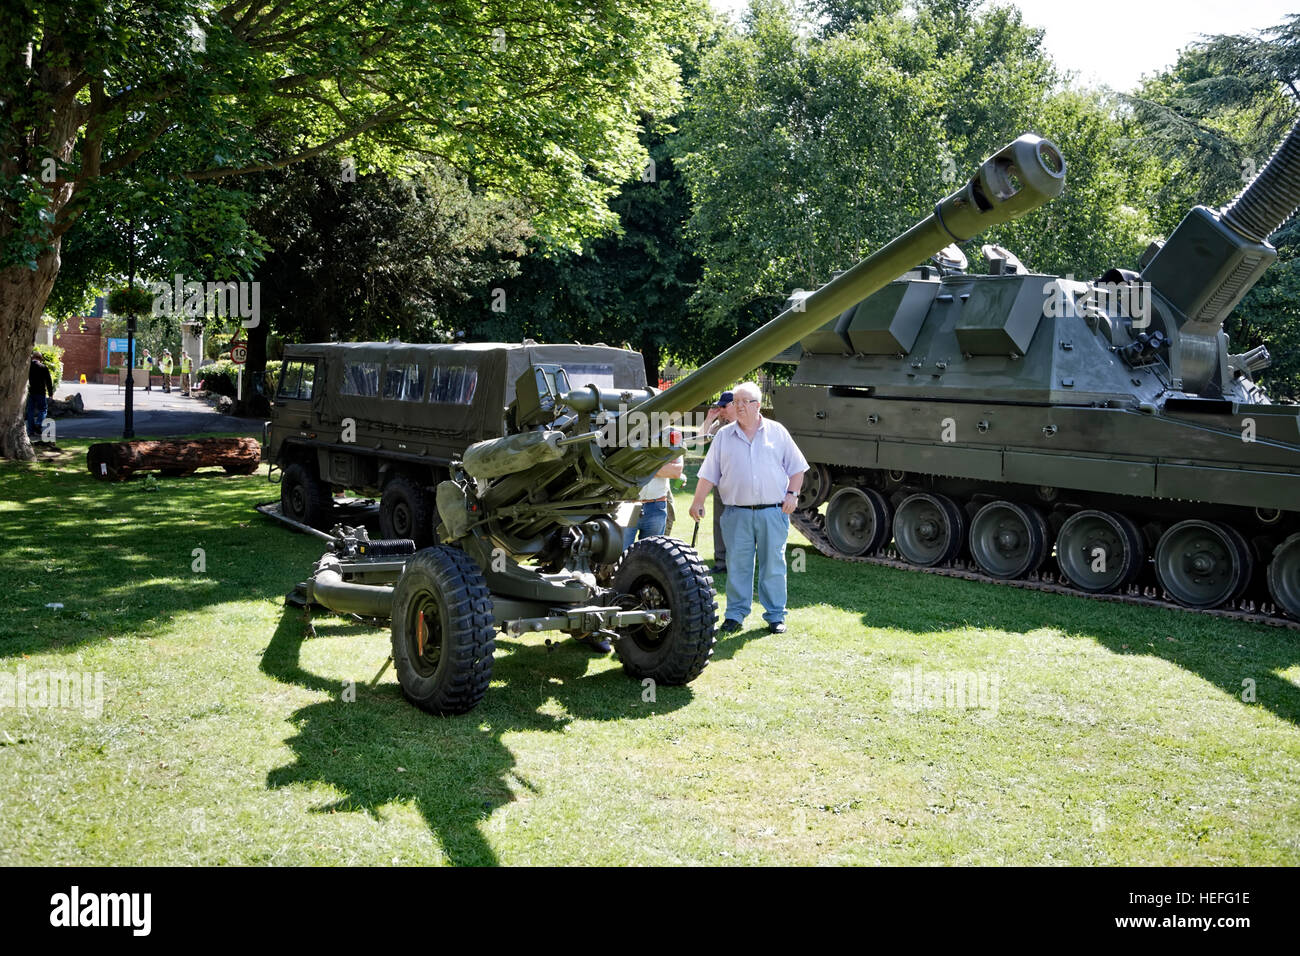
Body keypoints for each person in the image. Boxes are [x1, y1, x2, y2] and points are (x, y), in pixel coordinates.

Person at [689, 381, 808, 635]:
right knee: (737, 566)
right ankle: (735, 615)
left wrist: (792, 494)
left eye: (744, 402)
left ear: (757, 405)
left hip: (772, 512)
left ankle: (775, 616)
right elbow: (709, 473)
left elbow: (798, 468)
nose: (738, 406)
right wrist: (697, 501)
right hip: (736, 513)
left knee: (773, 565)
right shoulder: (724, 435)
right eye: (736, 402)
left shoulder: (777, 432)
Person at [699, 390, 737, 573]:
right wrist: (708, 420)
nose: (720, 410)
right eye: (719, 406)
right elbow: (699, 442)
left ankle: (738, 563)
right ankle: (721, 563)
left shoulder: (743, 424)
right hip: (721, 482)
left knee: (738, 524)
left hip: (739, 483)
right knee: (719, 523)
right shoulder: (719, 425)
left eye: (724, 406)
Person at [624, 454, 685, 549]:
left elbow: (676, 471)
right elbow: (621, 467)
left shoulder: (670, 440)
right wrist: (660, 468)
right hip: (626, 506)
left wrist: (640, 468)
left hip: (656, 507)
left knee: (652, 557)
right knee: (620, 556)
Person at [26, 349, 55, 441]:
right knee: (43, 409)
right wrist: (50, 393)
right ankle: (39, 423)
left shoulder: (28, 367)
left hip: (31, 392)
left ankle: (30, 431)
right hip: (40, 392)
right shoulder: (43, 367)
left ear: (33, 357)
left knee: (30, 411)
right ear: (40, 358)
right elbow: (48, 381)